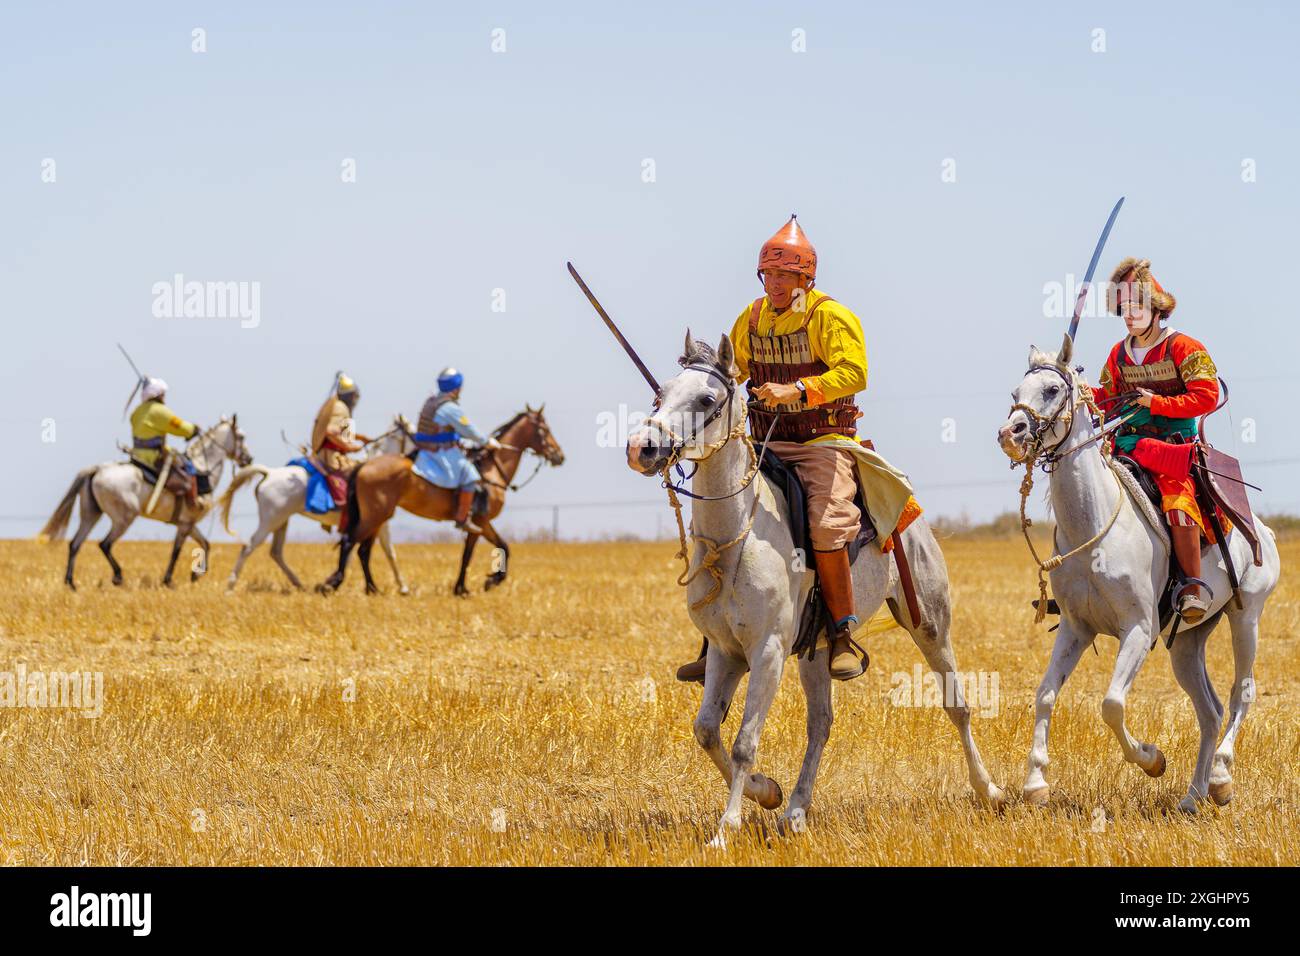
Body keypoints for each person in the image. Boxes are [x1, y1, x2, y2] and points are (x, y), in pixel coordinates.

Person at [677, 216, 870, 683]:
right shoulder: (751, 319)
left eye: (786, 276)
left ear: (806, 280)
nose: (776, 284)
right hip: (765, 439)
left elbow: (855, 373)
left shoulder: (830, 316)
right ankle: (715, 639)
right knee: (721, 513)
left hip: (821, 440)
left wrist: (799, 390)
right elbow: (732, 372)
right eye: (769, 275)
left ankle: (842, 632)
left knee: (826, 523)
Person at [1096, 257, 1220, 623]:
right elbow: (1106, 399)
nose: (1130, 317)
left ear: (1155, 308)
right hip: (1127, 447)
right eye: (1125, 310)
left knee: (1179, 506)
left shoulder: (1185, 346)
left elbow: (1206, 396)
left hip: (1173, 450)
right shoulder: (1117, 354)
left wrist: (1157, 403)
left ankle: (1193, 588)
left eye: (1137, 308)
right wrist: (1074, 389)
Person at [412, 367, 501, 531]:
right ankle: (462, 518)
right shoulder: (449, 407)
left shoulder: (432, 400)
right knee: (470, 476)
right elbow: (469, 430)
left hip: (424, 448)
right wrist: (487, 441)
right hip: (440, 451)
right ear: (456, 387)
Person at [129, 376, 200, 506]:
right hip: (154, 457)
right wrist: (193, 430)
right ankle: (192, 503)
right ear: (159, 394)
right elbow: (180, 427)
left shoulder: (137, 411)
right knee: (189, 467)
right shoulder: (159, 410)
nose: (164, 396)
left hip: (136, 455)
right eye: (163, 393)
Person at [311, 373, 370, 515]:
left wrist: (360, 437)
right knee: (359, 475)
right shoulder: (341, 407)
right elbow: (331, 431)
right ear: (350, 395)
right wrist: (349, 447)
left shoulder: (337, 405)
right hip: (331, 457)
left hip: (333, 454)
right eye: (354, 396)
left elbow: (343, 433)